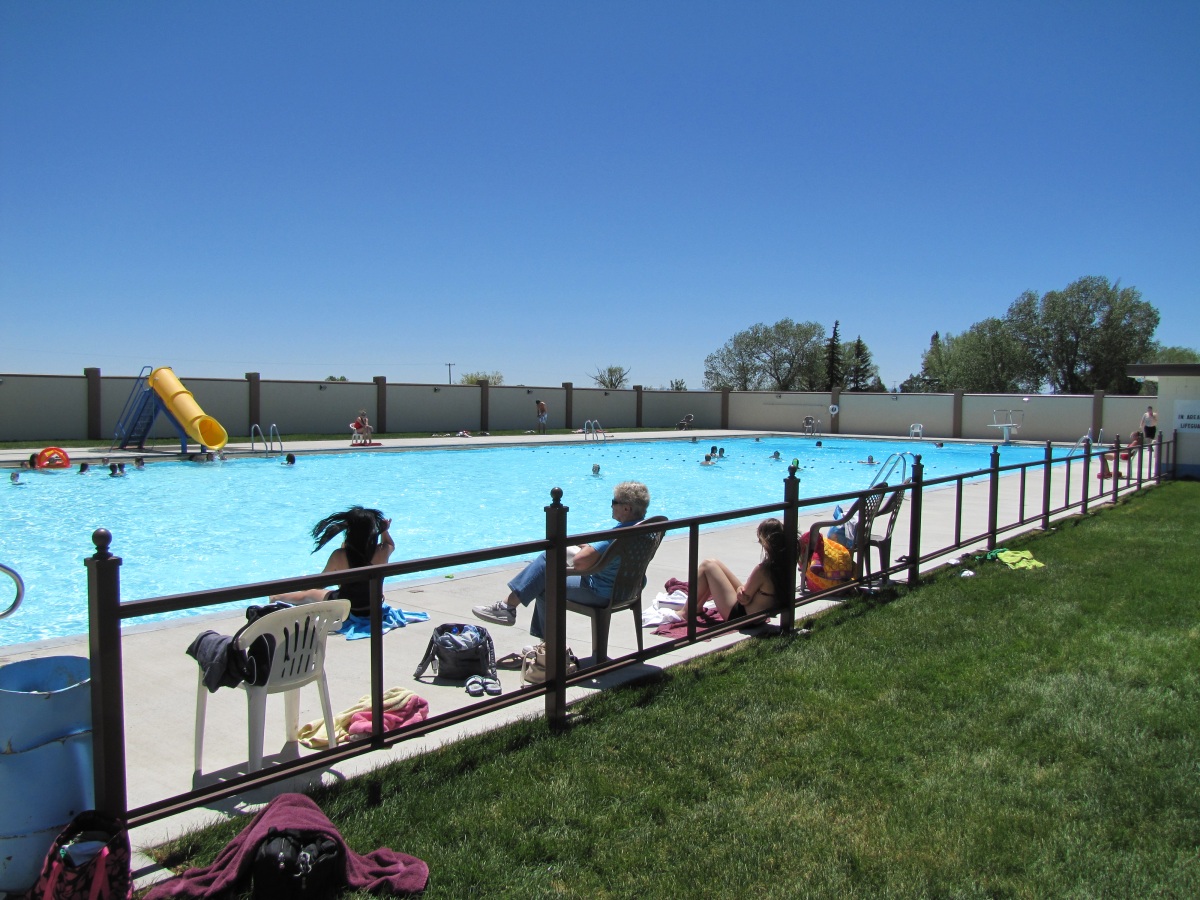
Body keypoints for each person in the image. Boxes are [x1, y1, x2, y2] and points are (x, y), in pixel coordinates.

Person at [472, 481, 651, 639]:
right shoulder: (649, 530)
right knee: (553, 558)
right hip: (629, 589)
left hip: (601, 592)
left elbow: (581, 562)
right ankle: (510, 610)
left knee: (546, 578)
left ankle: (544, 646)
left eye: (614, 502)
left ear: (626, 508)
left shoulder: (616, 535)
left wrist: (587, 550)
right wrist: (589, 547)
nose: (611, 506)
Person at [271, 506, 394, 616]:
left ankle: (276, 597)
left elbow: (321, 583)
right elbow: (389, 544)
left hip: (348, 609)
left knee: (309, 595)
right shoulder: (382, 552)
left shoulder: (339, 555)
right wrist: (384, 530)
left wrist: (304, 588)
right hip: (372, 607)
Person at [691, 518, 789, 621]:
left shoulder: (763, 570)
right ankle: (697, 607)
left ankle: (685, 612)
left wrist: (739, 589)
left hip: (740, 616)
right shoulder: (785, 563)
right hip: (759, 616)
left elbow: (743, 599)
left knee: (707, 565)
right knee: (714, 563)